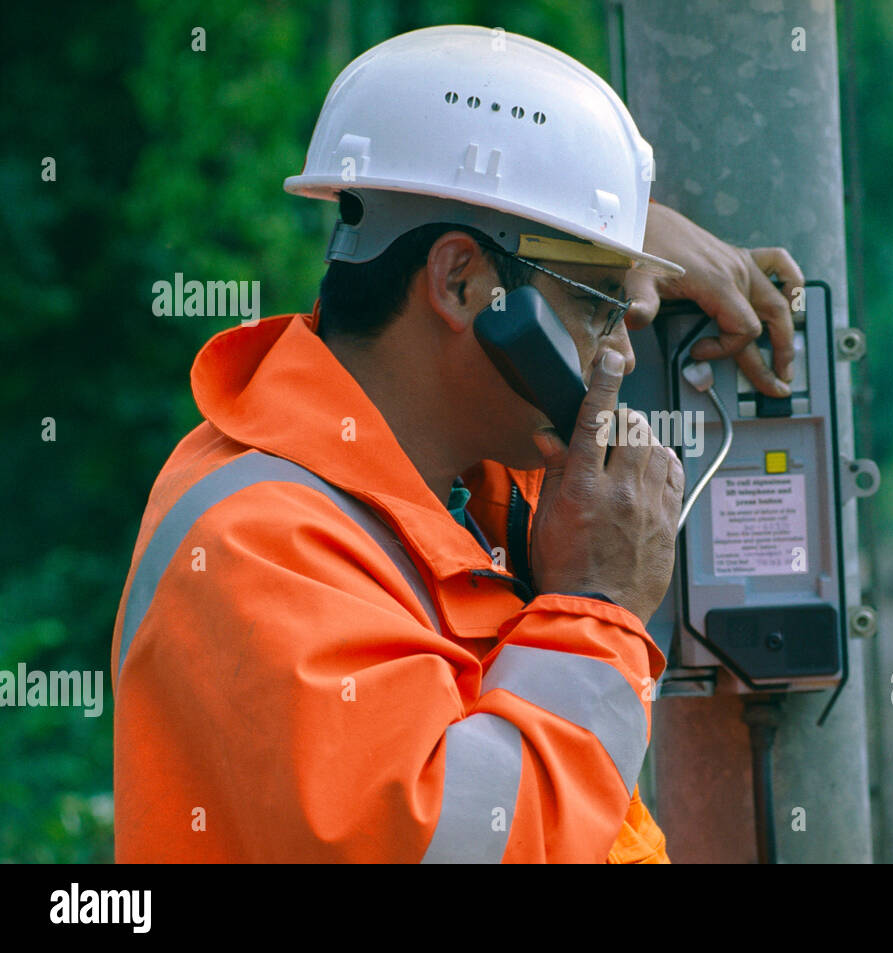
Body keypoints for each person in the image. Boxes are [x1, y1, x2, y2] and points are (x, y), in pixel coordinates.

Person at [111, 24, 802, 863]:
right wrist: (599, 607)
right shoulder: (261, 547)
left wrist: (625, 240)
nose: (620, 349)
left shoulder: (464, 490)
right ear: (462, 281)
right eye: (598, 305)